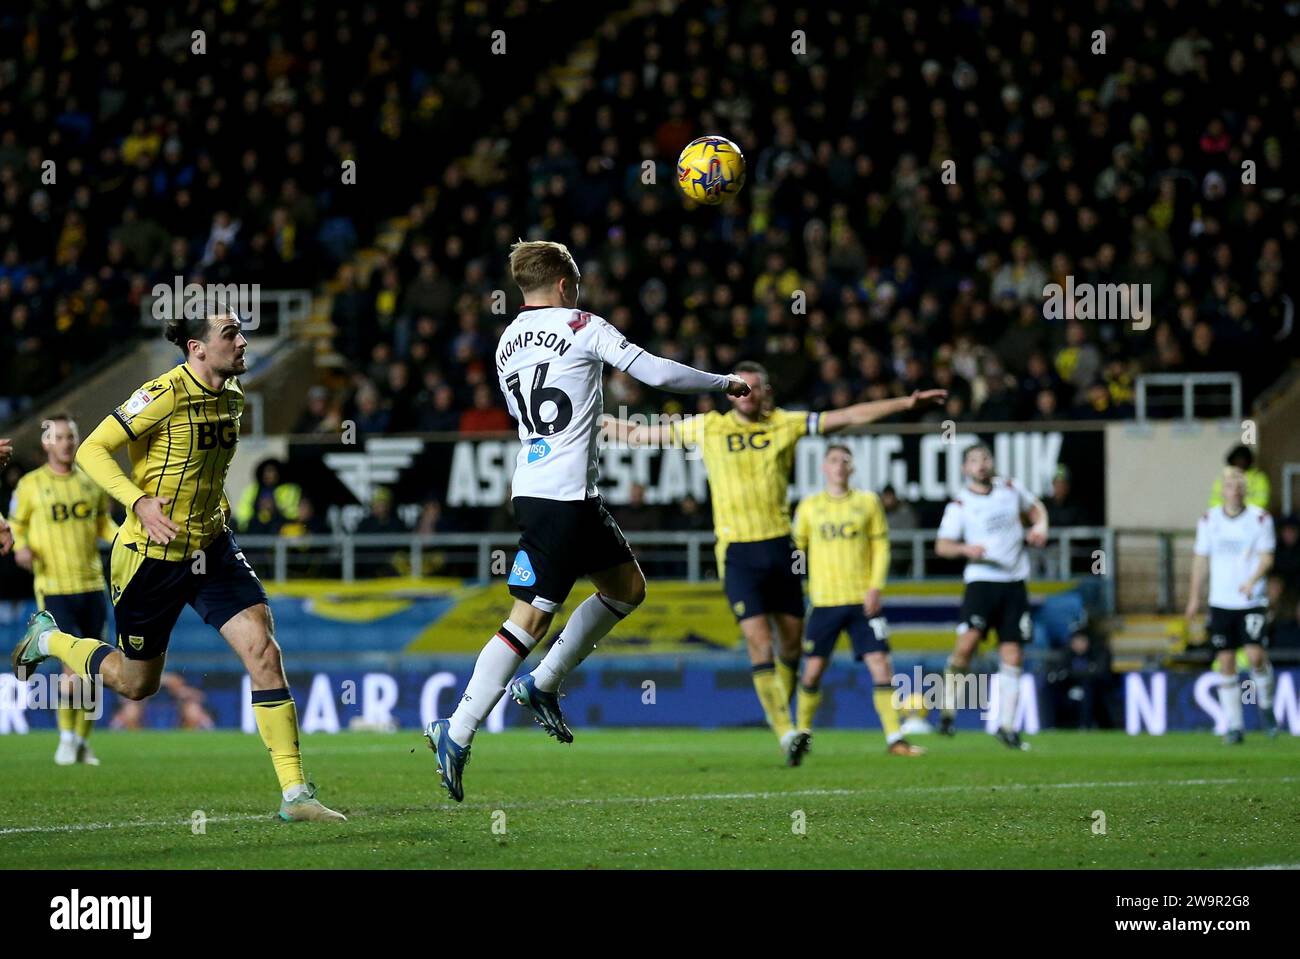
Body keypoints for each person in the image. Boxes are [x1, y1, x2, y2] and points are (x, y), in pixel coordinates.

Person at [425, 239, 749, 803]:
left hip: (549, 486)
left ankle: (543, 685)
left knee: (626, 588)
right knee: (529, 620)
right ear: (566, 284)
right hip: (561, 498)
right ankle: (457, 730)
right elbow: (654, 373)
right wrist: (722, 383)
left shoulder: (505, 343)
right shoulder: (582, 324)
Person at [9, 308, 345, 821]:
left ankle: (296, 793)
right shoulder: (162, 393)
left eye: (241, 332)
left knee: (263, 651)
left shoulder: (232, 398)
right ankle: (48, 640)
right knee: (136, 684)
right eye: (230, 333)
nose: (242, 341)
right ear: (197, 348)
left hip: (211, 548)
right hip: (150, 558)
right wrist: (139, 502)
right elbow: (95, 450)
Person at [611, 363, 945, 764]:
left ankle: (785, 716)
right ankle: (786, 732)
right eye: (739, 387)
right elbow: (636, 434)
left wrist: (905, 402)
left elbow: (849, 416)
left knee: (790, 644)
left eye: (754, 387)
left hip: (780, 548)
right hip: (737, 552)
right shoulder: (707, 428)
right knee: (759, 642)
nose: (746, 393)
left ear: (766, 392)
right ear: (728, 392)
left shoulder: (786, 424)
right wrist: (591, 417)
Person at [792, 445, 923, 758]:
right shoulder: (809, 507)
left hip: (862, 602)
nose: (839, 466)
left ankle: (895, 738)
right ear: (824, 467)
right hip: (823, 601)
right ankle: (802, 734)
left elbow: (881, 547)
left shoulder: (867, 502)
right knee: (812, 671)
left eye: (845, 462)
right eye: (834, 460)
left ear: (852, 469)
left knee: (881, 666)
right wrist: (794, 582)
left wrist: (876, 587)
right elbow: (797, 550)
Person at [8, 414, 118, 765]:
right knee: (72, 668)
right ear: (46, 443)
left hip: (91, 585)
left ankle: (83, 742)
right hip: (54, 587)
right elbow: (15, 524)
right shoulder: (29, 485)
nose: (68, 443)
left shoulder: (90, 483)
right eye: (60, 437)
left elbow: (103, 523)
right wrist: (19, 547)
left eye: (71, 436)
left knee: (94, 669)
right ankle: (67, 738)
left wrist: (124, 539)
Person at [935, 443, 1049, 749]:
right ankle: (947, 711)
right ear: (965, 469)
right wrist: (965, 549)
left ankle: (1007, 726)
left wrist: (1040, 526)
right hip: (981, 582)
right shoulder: (960, 505)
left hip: (1014, 583)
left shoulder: (1010, 489)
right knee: (967, 646)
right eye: (974, 460)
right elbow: (942, 545)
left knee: (1013, 654)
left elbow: (1036, 509)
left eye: (985, 458)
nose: (981, 464)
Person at [1185, 467, 1277, 742]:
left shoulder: (1260, 519)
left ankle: (1267, 708)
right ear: (1222, 490)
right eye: (1229, 484)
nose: (1234, 489)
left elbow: (1267, 557)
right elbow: (1200, 561)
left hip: (1251, 600)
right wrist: (1193, 598)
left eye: (1239, 484)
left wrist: (1252, 580)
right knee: (1225, 662)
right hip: (1221, 601)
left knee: (1254, 656)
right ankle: (1235, 727)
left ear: (1245, 489)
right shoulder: (1208, 520)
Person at [1208, 445, 1270, 510]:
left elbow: (1262, 500)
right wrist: (1227, 511)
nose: (1240, 462)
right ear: (1232, 460)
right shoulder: (1224, 477)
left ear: (1249, 460)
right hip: (1226, 516)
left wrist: (1241, 510)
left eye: (1243, 459)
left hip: (1250, 516)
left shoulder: (1258, 477)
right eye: (1237, 458)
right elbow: (1214, 500)